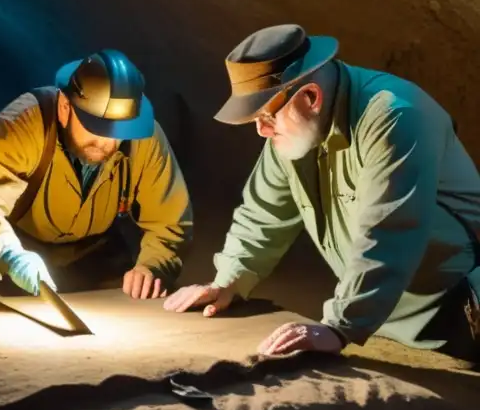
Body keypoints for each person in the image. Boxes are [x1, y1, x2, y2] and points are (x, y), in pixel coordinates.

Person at [164, 24, 480, 361]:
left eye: (266, 116)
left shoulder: (395, 117)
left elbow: (389, 232)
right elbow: (264, 212)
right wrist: (228, 281)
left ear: (311, 97)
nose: (261, 130)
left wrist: (340, 325)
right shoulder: (295, 130)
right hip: (386, 324)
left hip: (460, 316)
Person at [0, 49, 193, 298]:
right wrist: (8, 253)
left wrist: (154, 265)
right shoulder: (25, 124)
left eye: (118, 133)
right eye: (96, 129)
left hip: (98, 250)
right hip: (26, 246)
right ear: (65, 108)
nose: (108, 144)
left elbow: (170, 222)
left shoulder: (144, 138)